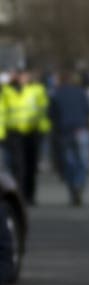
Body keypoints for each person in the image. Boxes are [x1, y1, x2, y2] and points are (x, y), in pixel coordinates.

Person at [2, 69, 51, 204]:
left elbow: (43, 109)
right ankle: (20, 195)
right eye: (20, 76)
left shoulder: (37, 90)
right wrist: (1, 132)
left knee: (31, 165)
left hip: (32, 132)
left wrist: (43, 127)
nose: (23, 78)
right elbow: (1, 111)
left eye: (25, 75)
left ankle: (30, 195)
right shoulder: (7, 91)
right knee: (18, 166)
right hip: (14, 132)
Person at [48, 69, 89, 206]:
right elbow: (88, 109)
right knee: (82, 161)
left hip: (64, 131)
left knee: (69, 161)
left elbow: (51, 114)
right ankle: (79, 184)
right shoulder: (81, 92)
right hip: (80, 129)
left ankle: (72, 186)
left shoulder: (56, 94)